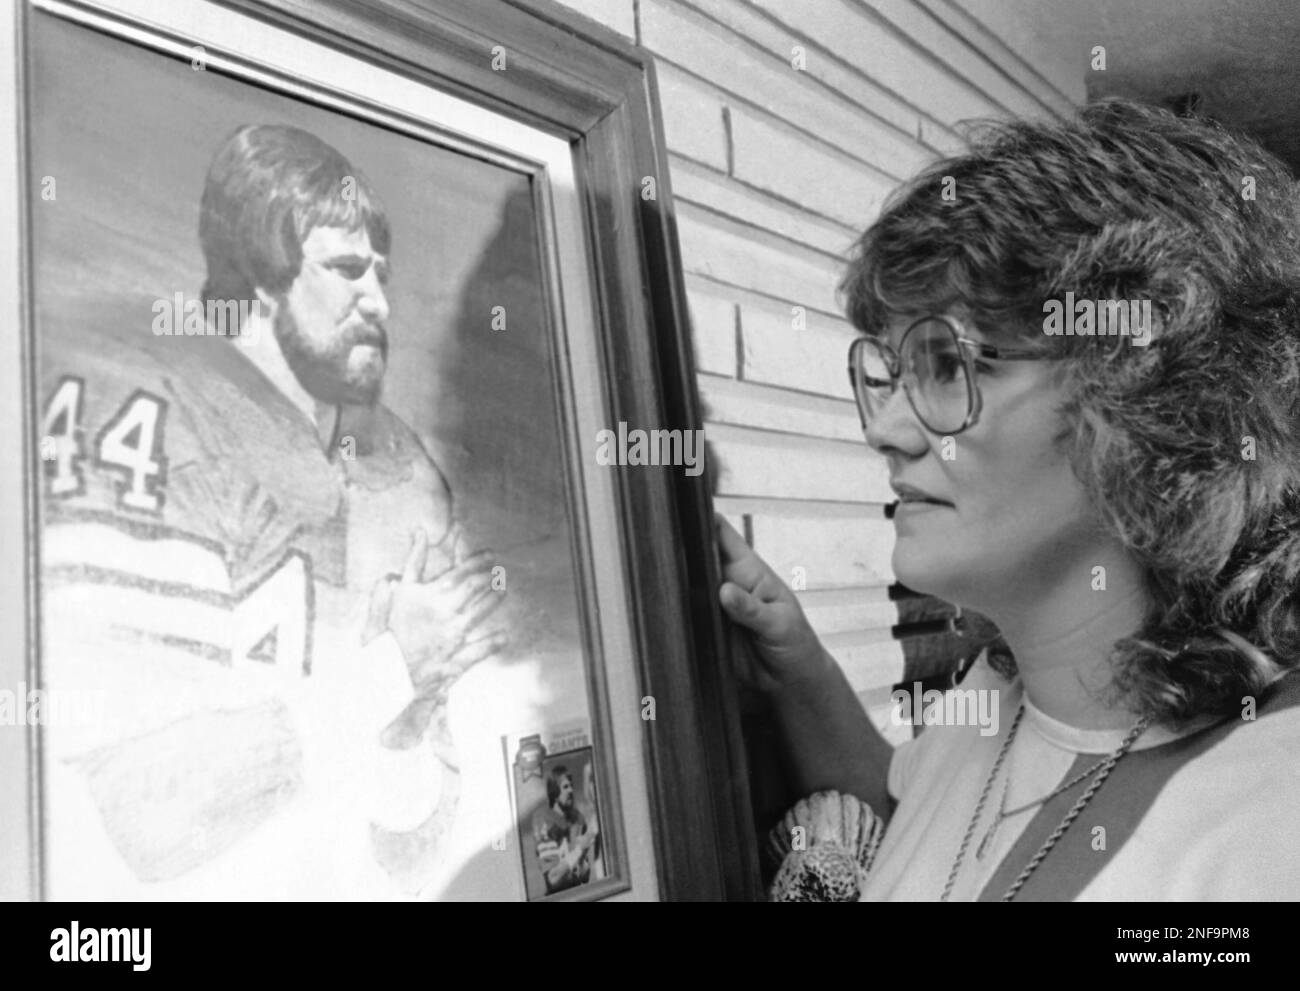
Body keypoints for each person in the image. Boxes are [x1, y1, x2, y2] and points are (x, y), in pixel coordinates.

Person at [718, 98, 1300, 901]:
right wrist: (798, 670)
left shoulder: (1267, 826)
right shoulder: (997, 695)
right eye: (888, 371)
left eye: (947, 366)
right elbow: (917, 823)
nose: (886, 430)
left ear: (1149, 401)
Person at [40, 124, 505, 898]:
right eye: (348, 270)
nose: (380, 301)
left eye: (381, 273)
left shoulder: (369, 457)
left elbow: (404, 849)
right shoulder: (158, 408)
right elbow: (140, 816)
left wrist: (409, 711)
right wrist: (391, 670)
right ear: (261, 278)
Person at [532, 766, 598, 893]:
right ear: (554, 791)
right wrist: (579, 851)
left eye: (572, 786)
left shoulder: (578, 819)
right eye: (566, 787)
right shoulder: (543, 821)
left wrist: (583, 855)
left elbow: (584, 877)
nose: (571, 790)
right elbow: (553, 878)